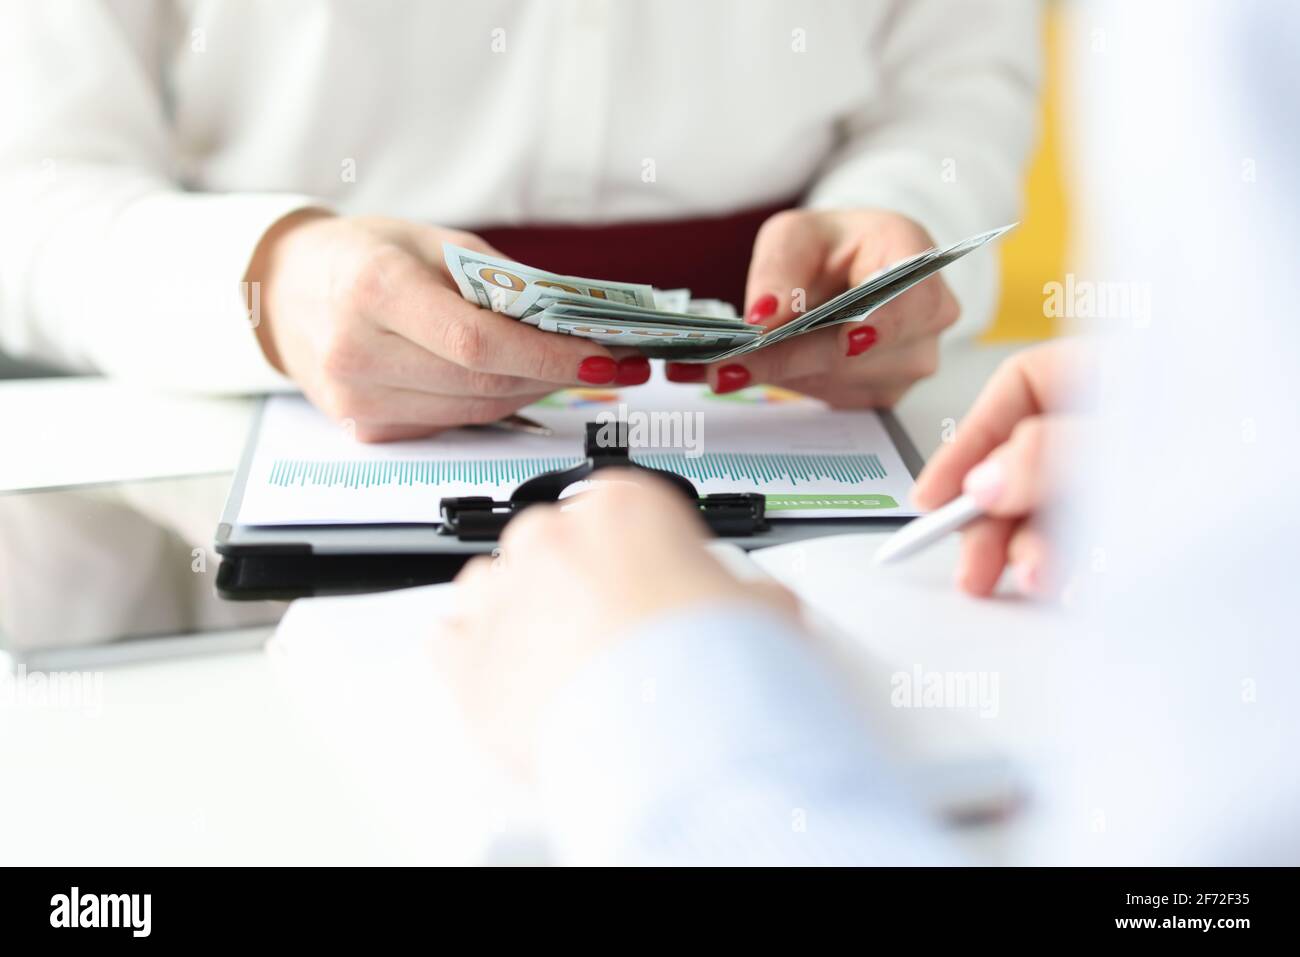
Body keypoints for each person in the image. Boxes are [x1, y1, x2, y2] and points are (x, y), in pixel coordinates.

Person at [0, 1, 1039, 439]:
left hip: (805, 414)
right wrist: (267, 284)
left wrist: (902, 223)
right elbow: (30, 186)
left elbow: (955, 91)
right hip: (272, 419)